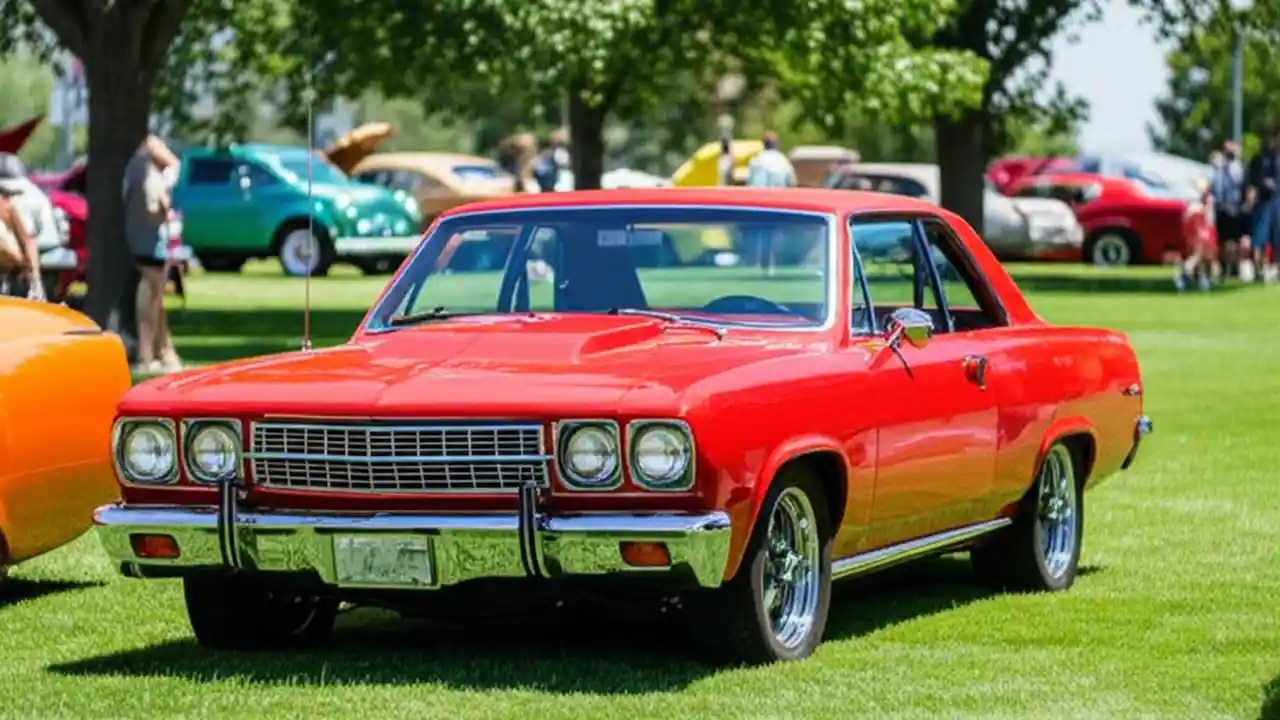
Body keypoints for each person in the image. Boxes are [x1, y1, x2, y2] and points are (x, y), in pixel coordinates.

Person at [124, 135, 182, 373]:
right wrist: (166, 212)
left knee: (154, 297)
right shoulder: (150, 176)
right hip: (151, 242)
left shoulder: (133, 171)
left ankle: (158, 350)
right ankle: (147, 352)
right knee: (152, 298)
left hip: (140, 240)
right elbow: (153, 207)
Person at [745, 132, 797, 275]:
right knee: (772, 233)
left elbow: (750, 183)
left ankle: (759, 262)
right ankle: (770, 263)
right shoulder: (782, 160)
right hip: (777, 200)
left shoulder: (756, 160)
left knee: (761, 233)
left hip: (758, 201)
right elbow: (791, 181)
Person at [0, 154, 43, 300]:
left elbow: (26, 240)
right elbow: (27, 240)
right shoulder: (9, 207)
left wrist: (34, 277)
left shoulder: (8, 207)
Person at [1244, 129, 1279, 283]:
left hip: (1277, 202)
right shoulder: (1258, 159)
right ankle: (1259, 269)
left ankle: (1276, 269)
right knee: (1260, 237)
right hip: (1263, 202)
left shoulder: (1277, 159)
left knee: (1277, 238)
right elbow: (1251, 181)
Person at [1210, 142, 1246, 278]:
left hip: (1234, 208)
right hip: (1222, 207)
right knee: (1223, 240)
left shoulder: (1236, 167)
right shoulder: (1219, 168)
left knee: (1233, 240)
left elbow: (1240, 183)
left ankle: (1234, 267)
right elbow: (1215, 187)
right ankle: (1224, 267)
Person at [1176, 179, 1217, 292]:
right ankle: (1187, 273)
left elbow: (1185, 217)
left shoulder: (1190, 202)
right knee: (1200, 256)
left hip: (1192, 229)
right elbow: (1210, 218)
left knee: (1196, 255)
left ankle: (1197, 279)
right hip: (1202, 228)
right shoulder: (1206, 200)